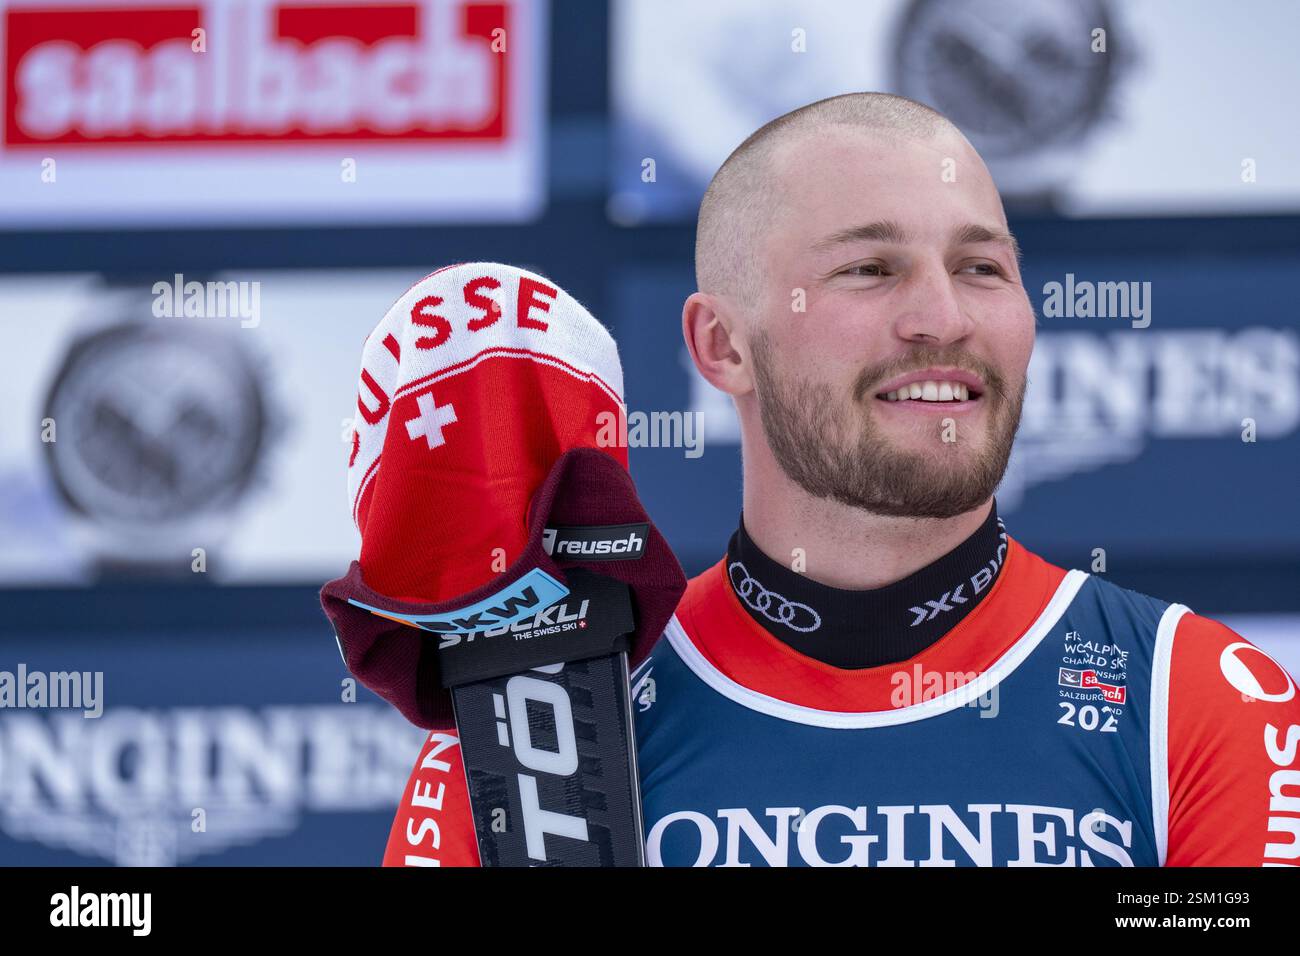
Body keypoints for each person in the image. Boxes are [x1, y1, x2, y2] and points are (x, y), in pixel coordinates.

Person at [383, 93, 1300, 867]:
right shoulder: (536, 739)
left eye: (982, 267)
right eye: (870, 269)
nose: (943, 317)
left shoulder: (1193, 700)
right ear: (723, 345)